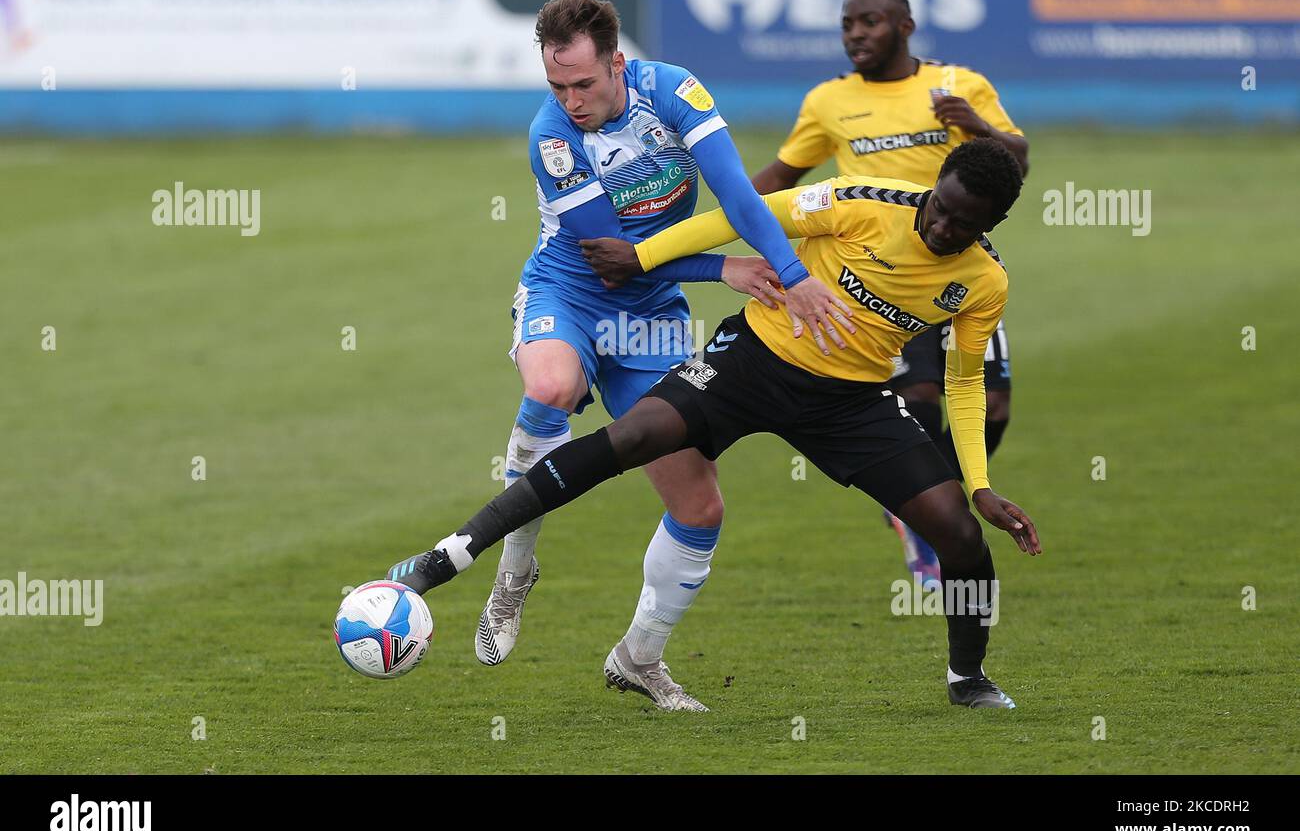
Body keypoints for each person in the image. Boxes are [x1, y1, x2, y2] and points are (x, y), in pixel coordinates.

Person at [385, 139, 1040, 711]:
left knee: (959, 534)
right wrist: (641, 257)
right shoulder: (861, 201)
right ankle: (447, 558)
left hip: (854, 403)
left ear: (994, 223)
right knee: (636, 435)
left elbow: (963, 377)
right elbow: (741, 217)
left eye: (964, 224)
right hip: (754, 362)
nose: (943, 228)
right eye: (940, 208)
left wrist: (979, 484)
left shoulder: (984, 281)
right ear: (932, 188)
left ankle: (968, 678)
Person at [458, 0, 857, 701]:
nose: (571, 100)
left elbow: (738, 195)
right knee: (548, 388)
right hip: (571, 294)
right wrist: (725, 268)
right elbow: (616, 254)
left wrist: (792, 274)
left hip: (651, 316)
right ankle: (515, 570)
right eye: (557, 85)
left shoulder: (674, 92)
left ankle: (638, 658)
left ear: (618, 62)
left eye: (583, 83)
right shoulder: (551, 137)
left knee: (699, 509)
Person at [751, 0, 1029, 590]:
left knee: (993, 408)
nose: (855, 35)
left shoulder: (958, 87)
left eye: (869, 22)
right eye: (848, 24)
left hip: (957, 274)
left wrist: (977, 126)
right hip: (873, 275)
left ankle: (926, 507)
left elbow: (1015, 163)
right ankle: (925, 524)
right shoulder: (829, 101)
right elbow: (784, 176)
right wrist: (726, 206)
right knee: (922, 396)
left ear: (904, 25)